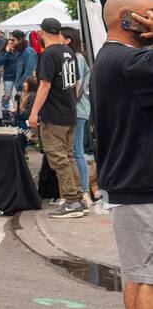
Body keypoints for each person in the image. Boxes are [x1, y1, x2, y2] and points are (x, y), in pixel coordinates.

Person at [90, 0, 153, 309]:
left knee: (139, 277)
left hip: (129, 183)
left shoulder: (110, 58)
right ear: (127, 19)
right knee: (146, 280)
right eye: (150, 14)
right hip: (141, 184)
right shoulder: (131, 61)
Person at [29, 17, 85, 219]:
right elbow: (77, 84)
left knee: (58, 158)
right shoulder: (68, 52)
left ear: (42, 33)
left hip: (54, 115)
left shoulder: (49, 54)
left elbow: (45, 86)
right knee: (68, 156)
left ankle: (71, 201)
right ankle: (78, 198)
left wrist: (34, 113)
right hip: (70, 111)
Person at [61, 27, 93, 202]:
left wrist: (68, 106)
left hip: (77, 110)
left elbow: (77, 87)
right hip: (77, 109)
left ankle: (85, 191)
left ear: (68, 40)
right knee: (74, 151)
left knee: (76, 151)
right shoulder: (75, 57)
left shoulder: (77, 58)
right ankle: (82, 191)